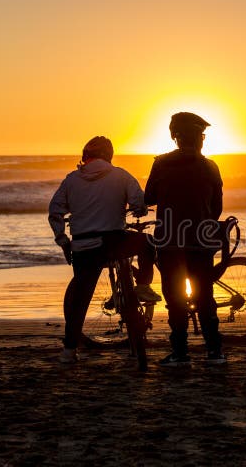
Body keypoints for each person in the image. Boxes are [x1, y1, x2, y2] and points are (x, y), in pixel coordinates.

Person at [49, 136, 161, 363]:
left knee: (80, 299)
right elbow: (139, 202)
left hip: (82, 246)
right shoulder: (121, 175)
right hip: (114, 243)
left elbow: (55, 211)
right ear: (109, 156)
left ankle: (69, 351)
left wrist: (62, 239)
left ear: (84, 156)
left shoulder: (71, 180)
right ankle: (143, 287)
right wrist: (138, 210)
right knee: (147, 243)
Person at [145, 112, 225, 367]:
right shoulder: (211, 167)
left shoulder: (161, 164)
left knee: (175, 299)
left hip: (169, 242)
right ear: (199, 140)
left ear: (176, 138)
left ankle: (180, 353)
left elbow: (149, 198)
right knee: (205, 297)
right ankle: (215, 352)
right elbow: (217, 207)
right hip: (201, 242)